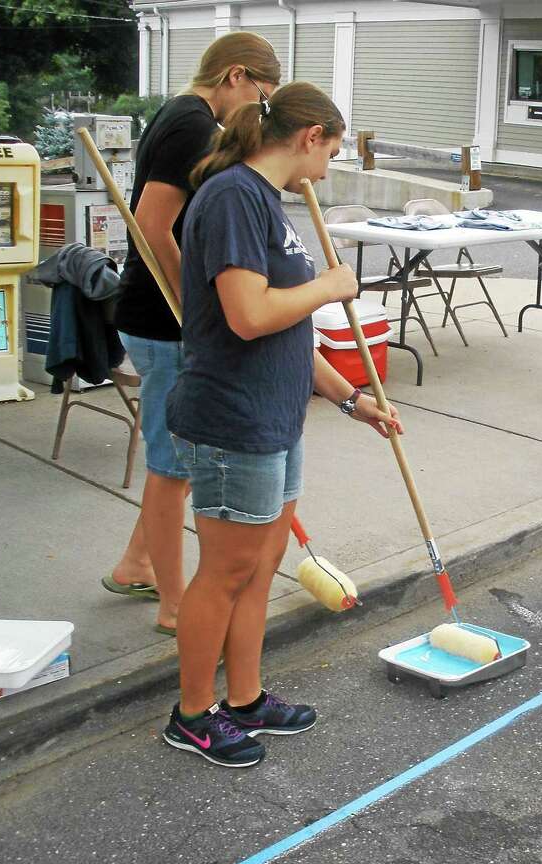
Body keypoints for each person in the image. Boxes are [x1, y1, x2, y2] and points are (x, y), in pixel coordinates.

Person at [161, 82, 403, 767]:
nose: (330, 166)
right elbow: (248, 314)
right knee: (227, 571)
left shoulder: (268, 201)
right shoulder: (235, 194)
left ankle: (245, 698)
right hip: (230, 418)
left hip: (275, 416)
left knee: (262, 567)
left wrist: (350, 398)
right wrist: (330, 287)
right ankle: (191, 714)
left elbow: (286, 333)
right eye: (332, 149)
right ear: (308, 137)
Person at [105, 33, 282, 636]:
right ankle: (175, 603)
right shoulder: (191, 125)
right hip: (161, 319)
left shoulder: (181, 114)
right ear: (235, 76)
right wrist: (193, 307)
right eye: (262, 95)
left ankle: (136, 564)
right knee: (170, 464)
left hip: (154, 315)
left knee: (172, 457)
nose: (259, 111)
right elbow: (153, 227)